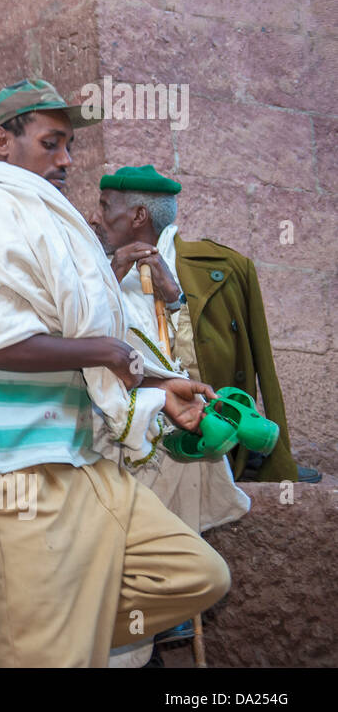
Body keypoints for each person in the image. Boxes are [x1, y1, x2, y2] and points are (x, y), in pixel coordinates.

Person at [0, 78, 231, 667]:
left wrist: (158, 385)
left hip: (87, 463)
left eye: (69, 146)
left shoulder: (51, 218)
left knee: (197, 575)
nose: (67, 160)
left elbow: (83, 348)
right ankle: (28, 637)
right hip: (16, 472)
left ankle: (11, 626)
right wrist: (108, 353)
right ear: (2, 141)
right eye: (52, 143)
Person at [90, 165, 318, 484]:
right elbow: (82, 342)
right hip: (115, 439)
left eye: (104, 206)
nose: (94, 218)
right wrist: (113, 275)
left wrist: (174, 299)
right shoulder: (87, 270)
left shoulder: (224, 267)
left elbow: (260, 366)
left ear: (139, 216)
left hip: (196, 433)